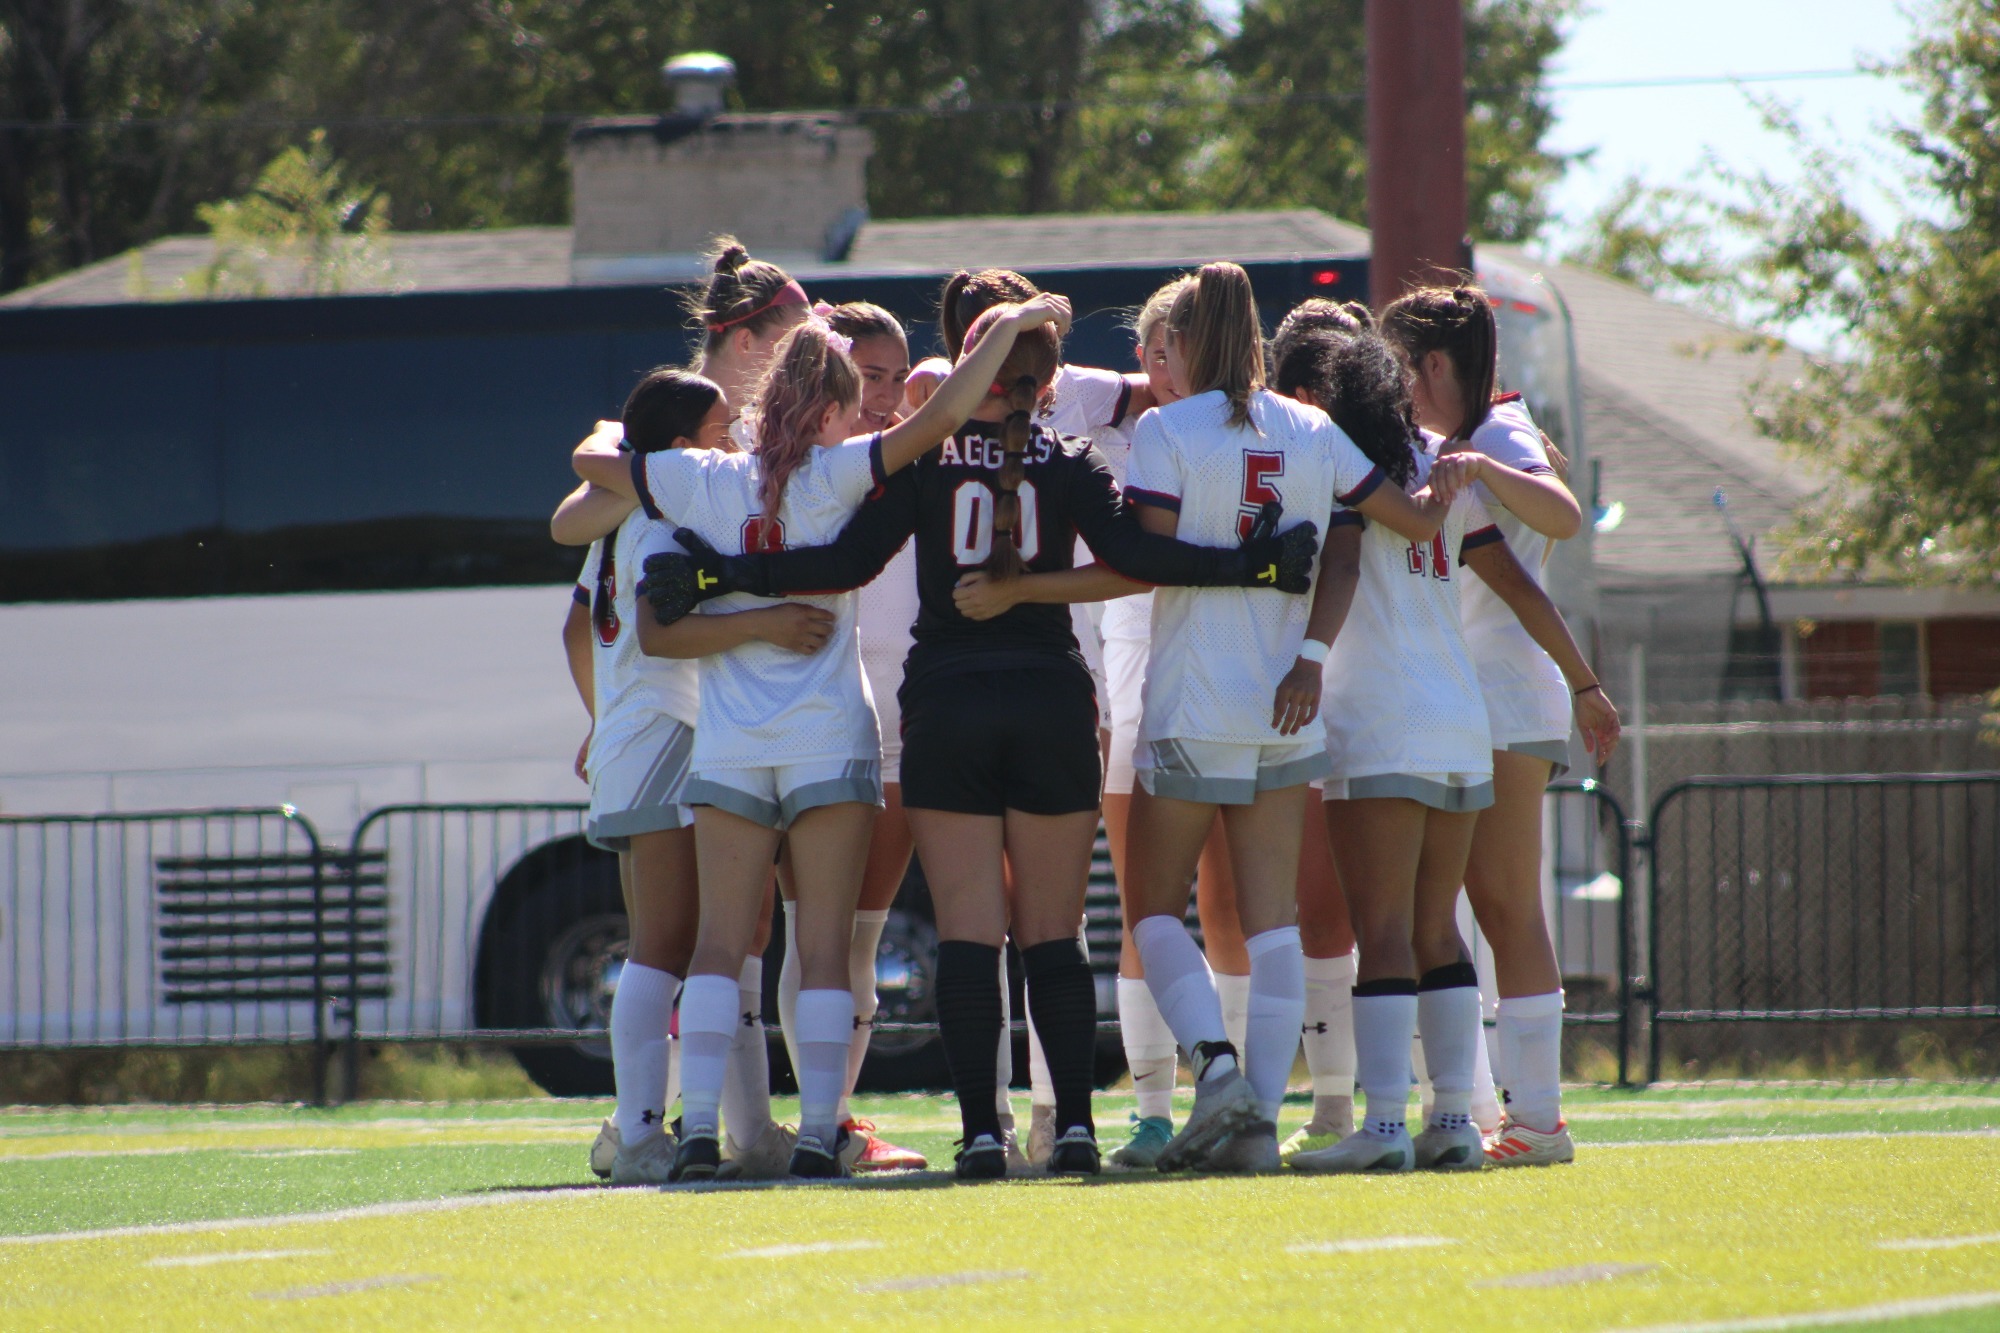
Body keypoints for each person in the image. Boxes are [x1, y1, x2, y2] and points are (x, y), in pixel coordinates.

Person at [639, 298, 1325, 1179]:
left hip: (947, 705)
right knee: (1055, 933)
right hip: (1049, 703)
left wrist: (723, 574)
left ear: (971, 368)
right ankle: (1073, 1127)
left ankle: (978, 1134)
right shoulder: (1071, 458)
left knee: (969, 934)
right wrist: (1249, 564)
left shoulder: (922, 461)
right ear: (1047, 379)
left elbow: (845, 564)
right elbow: (1137, 559)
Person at [571, 297, 1076, 1180]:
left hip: (730, 740)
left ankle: (695, 1135)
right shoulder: (841, 470)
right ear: (837, 408)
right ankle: (816, 1130)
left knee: (719, 946)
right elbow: (949, 411)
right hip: (828, 738)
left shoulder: (703, 476)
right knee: (827, 940)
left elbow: (604, 465)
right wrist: (1002, 329)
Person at [1278, 317, 1617, 1176]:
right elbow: (1520, 585)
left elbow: (1345, 566)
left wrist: (1307, 660)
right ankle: (1455, 1123)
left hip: (1381, 710)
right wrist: (1585, 683)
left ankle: (1385, 1126)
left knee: (1384, 928)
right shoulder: (1444, 459)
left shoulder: (1335, 459)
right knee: (1439, 929)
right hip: (1462, 719)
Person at [1383, 283, 1621, 1166]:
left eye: (1404, 368)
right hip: (1477, 693)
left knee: (1507, 907)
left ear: (1435, 364)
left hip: (1504, 695)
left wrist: (1585, 682)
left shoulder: (1492, 436)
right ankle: (1491, 1109)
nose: (1399, 388)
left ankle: (1539, 1121)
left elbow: (1559, 519)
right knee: (1457, 908)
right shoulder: (1476, 433)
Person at [771, 301, 928, 1173]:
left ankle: (832, 1119)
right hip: (814, 717)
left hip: (899, 723)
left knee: (860, 934)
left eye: (895, 377)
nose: (883, 395)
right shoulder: (803, 475)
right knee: (805, 930)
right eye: (865, 377)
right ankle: (797, 1123)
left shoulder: (911, 460)